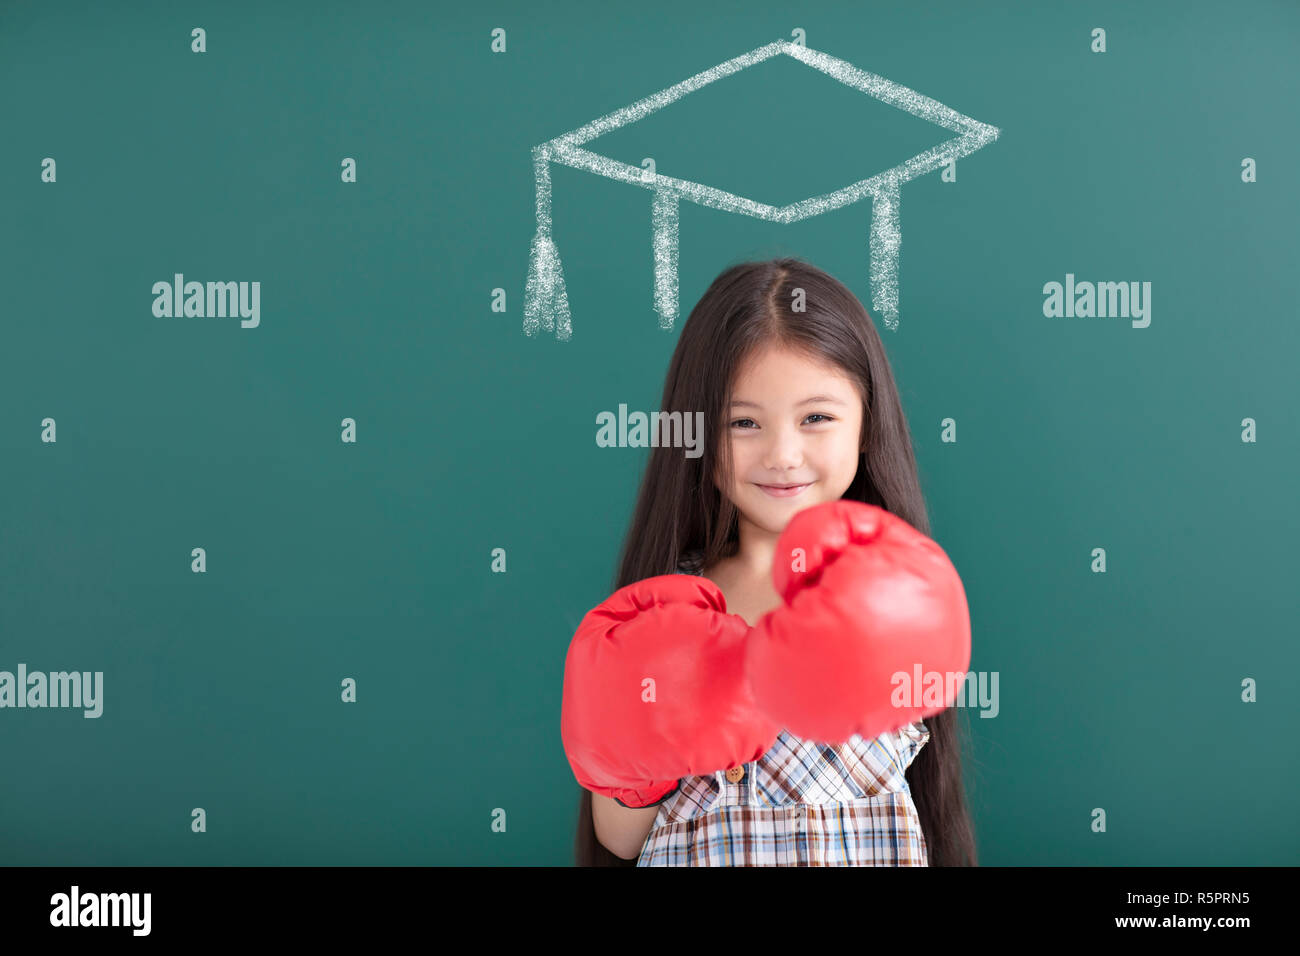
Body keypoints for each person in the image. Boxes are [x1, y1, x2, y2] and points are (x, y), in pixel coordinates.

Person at [562, 257, 976, 866]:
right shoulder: (668, 610)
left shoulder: (889, 588)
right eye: (743, 422)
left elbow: (923, 794)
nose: (782, 454)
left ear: (866, 423)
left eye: (816, 418)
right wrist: (634, 741)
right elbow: (620, 839)